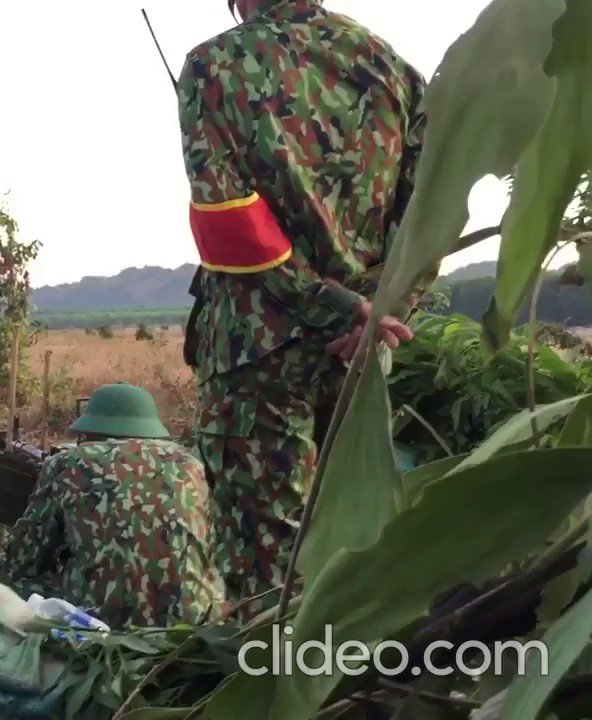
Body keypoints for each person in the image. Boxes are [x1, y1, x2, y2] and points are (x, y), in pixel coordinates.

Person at [176, 0, 431, 618]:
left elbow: (228, 222)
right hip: (364, 350)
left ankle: (278, 690)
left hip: (256, 354)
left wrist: (336, 308)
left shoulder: (213, 65)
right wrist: (382, 313)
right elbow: (431, 217)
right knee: (355, 552)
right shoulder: (394, 69)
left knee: (268, 579)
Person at [2, 383, 226, 628]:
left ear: (90, 429)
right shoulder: (192, 464)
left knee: (19, 584)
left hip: (102, 620)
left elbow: (22, 560)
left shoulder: (68, 463)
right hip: (193, 618)